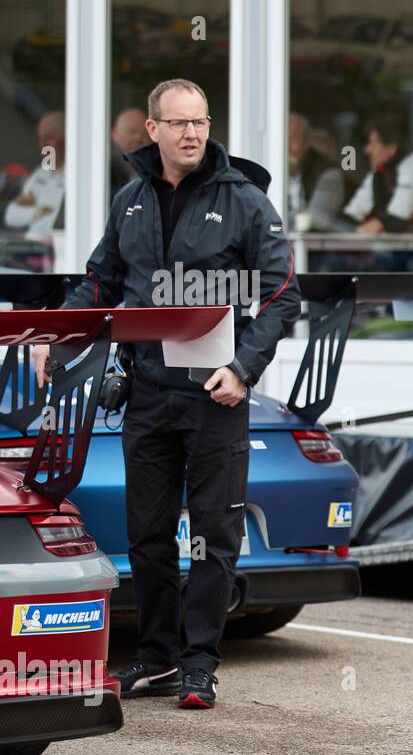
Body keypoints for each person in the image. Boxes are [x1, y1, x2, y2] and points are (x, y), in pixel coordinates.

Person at [31, 78, 300, 709]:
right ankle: (154, 657)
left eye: (201, 122)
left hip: (217, 395)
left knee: (213, 533)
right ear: (152, 130)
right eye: (179, 123)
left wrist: (243, 369)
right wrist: (54, 338)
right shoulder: (129, 200)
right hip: (147, 390)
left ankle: (200, 663)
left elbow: (283, 294)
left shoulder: (246, 201)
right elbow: (100, 284)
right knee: (147, 533)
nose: (192, 134)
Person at [342, 114, 413, 234]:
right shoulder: (379, 172)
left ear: (391, 148)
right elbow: (354, 211)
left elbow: (395, 219)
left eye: (373, 143)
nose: (367, 150)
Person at [4, 111, 65, 238]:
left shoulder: (79, 175)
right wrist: (40, 211)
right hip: (32, 250)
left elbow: (54, 223)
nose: (41, 145)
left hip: (61, 250)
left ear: (65, 138)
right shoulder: (40, 174)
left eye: (48, 138)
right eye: (40, 139)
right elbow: (11, 216)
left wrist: (31, 209)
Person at [287, 112, 346, 232]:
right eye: (280, 139)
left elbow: (316, 220)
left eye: (292, 140)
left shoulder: (329, 173)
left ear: (307, 143)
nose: (286, 147)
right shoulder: (268, 167)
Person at [110, 108, 150, 194]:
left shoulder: (155, 167)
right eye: (132, 132)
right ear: (114, 134)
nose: (139, 138)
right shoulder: (105, 167)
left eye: (145, 133)